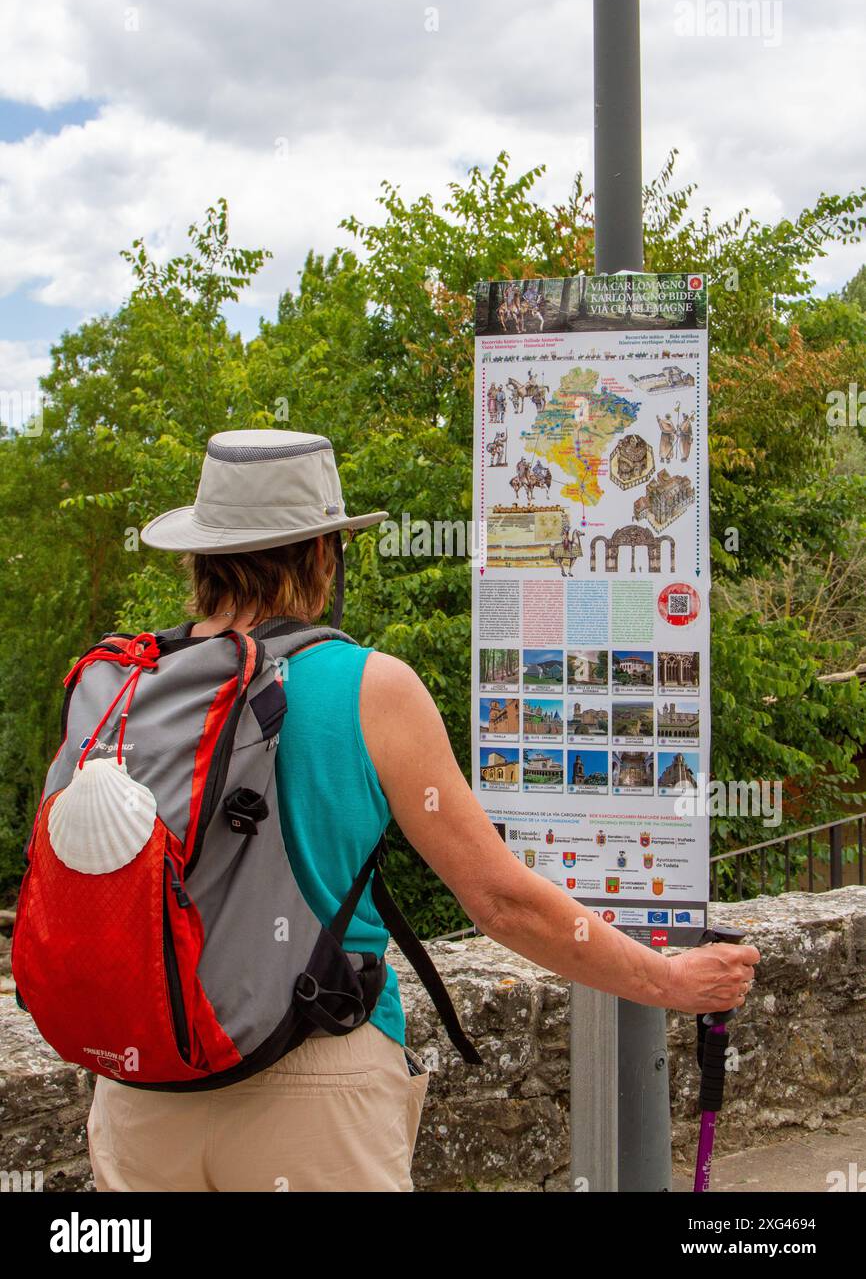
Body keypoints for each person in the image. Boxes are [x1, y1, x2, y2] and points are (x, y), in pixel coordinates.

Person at [87, 428, 759, 1193]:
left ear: (201, 559)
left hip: (143, 1091)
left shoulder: (132, 683)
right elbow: (502, 902)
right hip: (311, 1082)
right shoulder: (369, 686)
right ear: (322, 557)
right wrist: (672, 983)